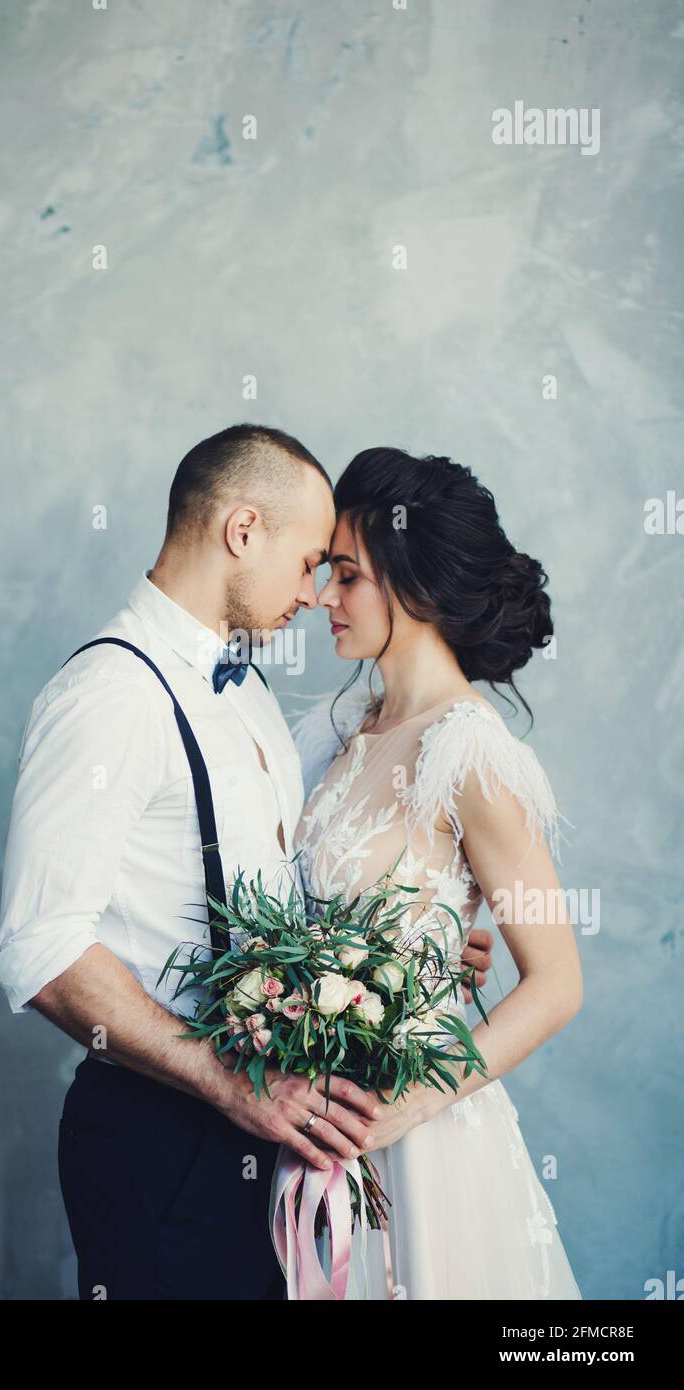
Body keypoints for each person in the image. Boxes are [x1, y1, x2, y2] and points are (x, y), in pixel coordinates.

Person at [0, 423, 495, 1301]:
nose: (313, 595)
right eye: (308, 563)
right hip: (160, 1137)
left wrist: (413, 944)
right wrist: (228, 1084)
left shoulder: (253, 695)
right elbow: (41, 950)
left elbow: (287, 890)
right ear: (241, 531)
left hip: (265, 1136)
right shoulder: (107, 696)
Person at [292, 446, 583, 1299]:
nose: (320, 598)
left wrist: (415, 1100)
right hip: (316, 1127)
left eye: (345, 576)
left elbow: (557, 982)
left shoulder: (469, 751)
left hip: (421, 1140)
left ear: (411, 585)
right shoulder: (337, 727)